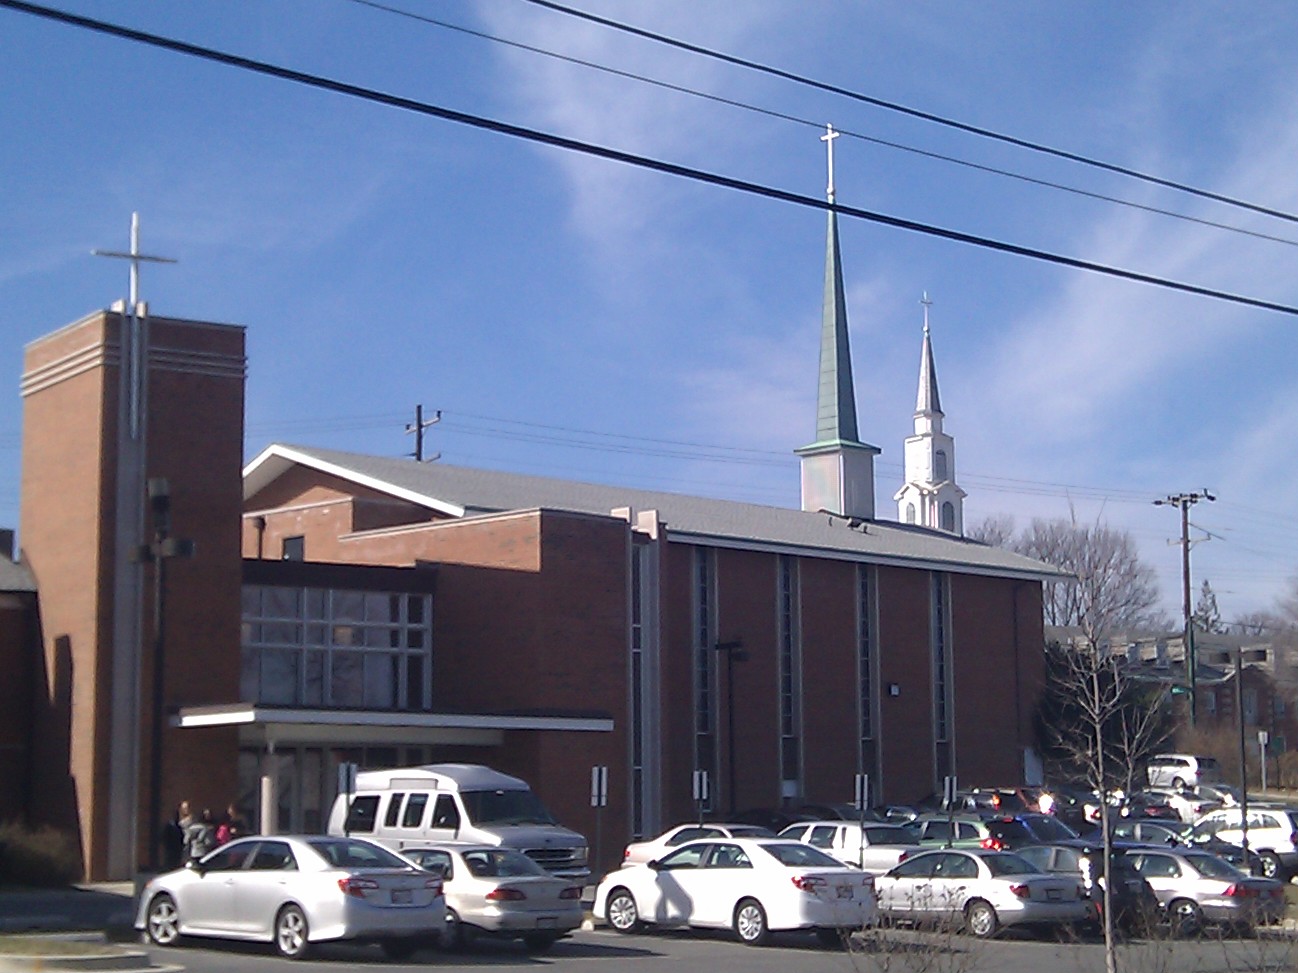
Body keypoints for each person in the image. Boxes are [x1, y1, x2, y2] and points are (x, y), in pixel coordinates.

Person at [161, 800, 191, 870]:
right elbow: (165, 837)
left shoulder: (181, 824)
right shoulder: (171, 825)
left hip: (180, 849)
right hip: (173, 850)